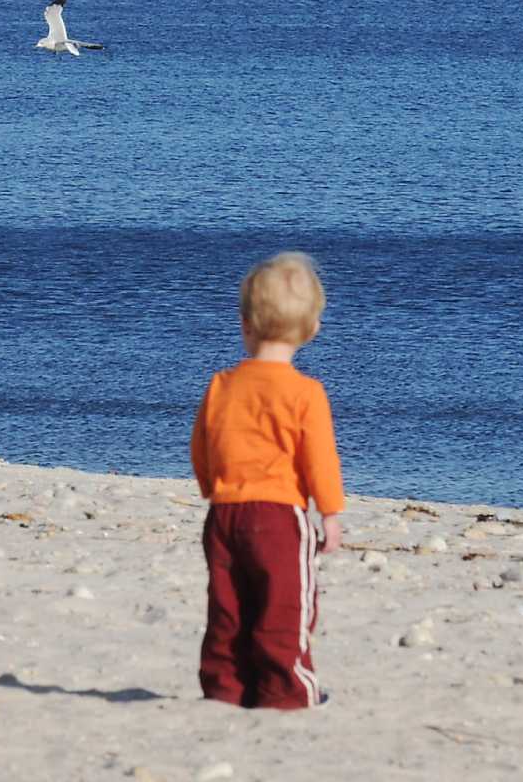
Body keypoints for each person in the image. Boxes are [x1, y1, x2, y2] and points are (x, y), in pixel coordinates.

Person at [190, 252, 345, 709]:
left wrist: (212, 487)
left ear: (245, 325)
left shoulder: (222, 384)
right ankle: (285, 689)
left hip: (224, 513)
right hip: (279, 515)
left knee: (228, 604)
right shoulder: (305, 393)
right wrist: (331, 512)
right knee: (285, 605)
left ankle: (225, 686)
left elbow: (203, 444)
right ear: (312, 329)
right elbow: (319, 460)